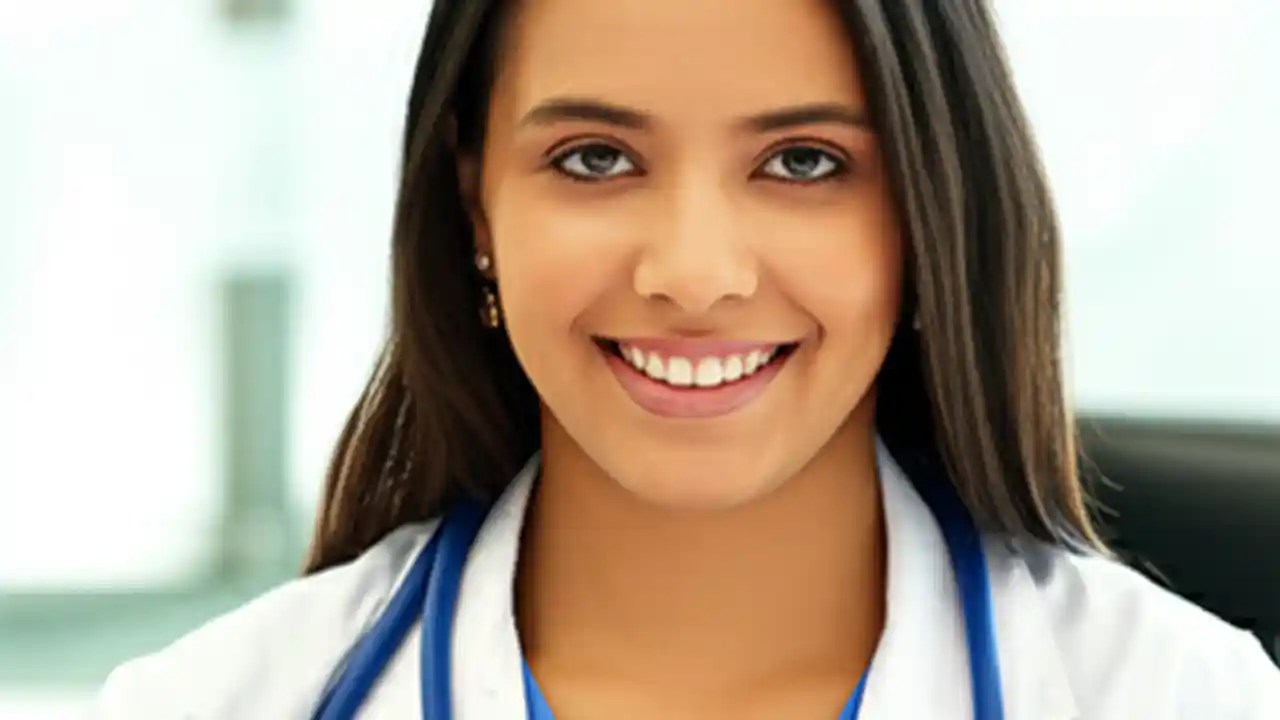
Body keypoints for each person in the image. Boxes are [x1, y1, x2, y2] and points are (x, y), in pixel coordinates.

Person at [91, 0, 1280, 717]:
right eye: (595, 159)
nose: (693, 272)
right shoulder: (212, 708)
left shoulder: (1172, 701)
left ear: (930, 207)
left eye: (804, 162)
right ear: (472, 206)